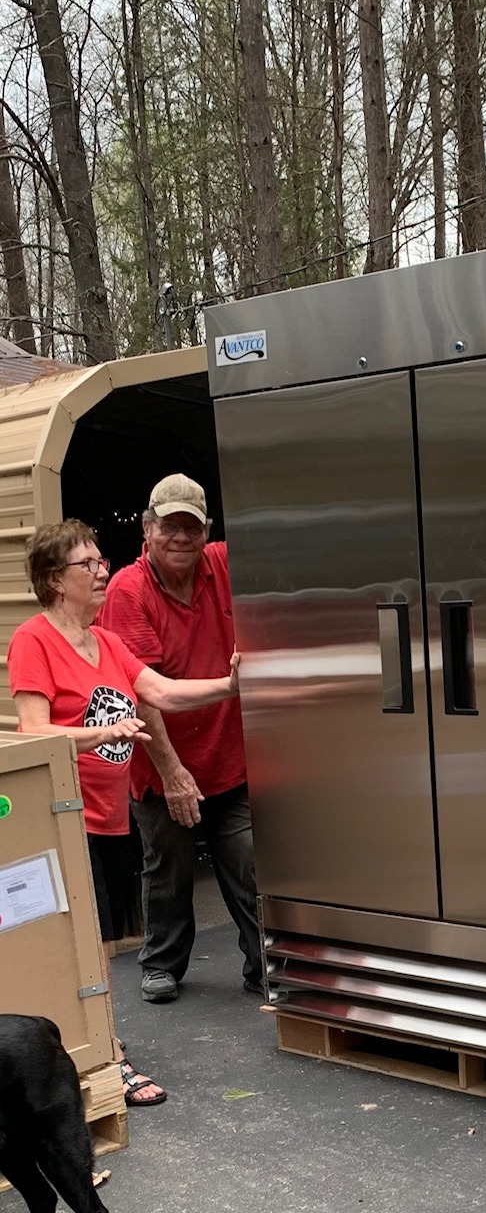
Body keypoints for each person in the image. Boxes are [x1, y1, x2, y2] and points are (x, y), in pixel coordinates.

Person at [7, 520, 240, 1105]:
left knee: (104, 946)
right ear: (56, 580)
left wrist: (230, 685)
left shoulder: (106, 642)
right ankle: (107, 1059)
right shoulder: (35, 640)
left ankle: (85, 1054)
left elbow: (159, 691)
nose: (103, 571)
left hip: (110, 818)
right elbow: (33, 731)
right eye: (88, 564)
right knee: (71, 945)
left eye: (101, 561)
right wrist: (104, 731)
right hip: (63, 820)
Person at [98, 474, 262, 1004]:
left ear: (206, 531)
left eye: (191, 527)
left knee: (248, 861)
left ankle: (268, 963)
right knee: (168, 869)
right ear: (147, 529)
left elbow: (278, 571)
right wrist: (172, 773)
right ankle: (163, 963)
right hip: (161, 761)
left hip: (229, 757)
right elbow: (143, 692)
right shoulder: (128, 590)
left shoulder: (223, 563)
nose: (180, 539)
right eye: (169, 526)